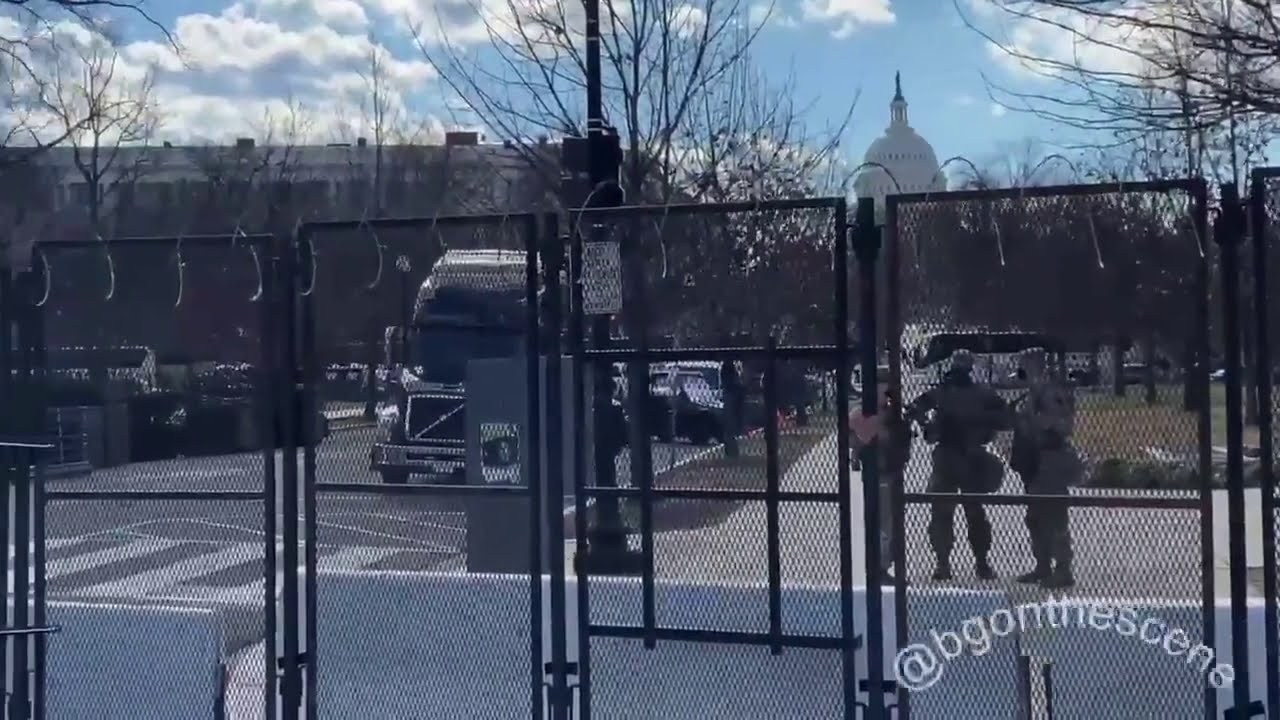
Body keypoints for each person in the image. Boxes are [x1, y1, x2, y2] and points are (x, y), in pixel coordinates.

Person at [905, 350, 1012, 581]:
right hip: (952, 456)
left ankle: (973, 563)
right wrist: (929, 424)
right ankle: (952, 563)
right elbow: (915, 410)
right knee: (952, 513)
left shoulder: (970, 394)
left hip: (965, 457)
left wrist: (984, 423)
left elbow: (1005, 418)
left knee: (964, 513)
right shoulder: (960, 393)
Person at [1010, 348, 1081, 589]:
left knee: (1055, 516)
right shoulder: (1032, 392)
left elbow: (1064, 424)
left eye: (1027, 364)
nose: (1024, 369)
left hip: (1051, 458)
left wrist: (1035, 423)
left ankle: (1063, 569)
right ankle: (1042, 565)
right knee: (1035, 518)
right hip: (1033, 462)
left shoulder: (1054, 391)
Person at [849, 384, 914, 584]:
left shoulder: (894, 413)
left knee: (892, 521)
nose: (887, 396)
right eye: (882, 391)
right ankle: (879, 569)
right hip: (879, 473)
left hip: (893, 470)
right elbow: (865, 435)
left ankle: (885, 564)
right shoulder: (861, 412)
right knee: (884, 522)